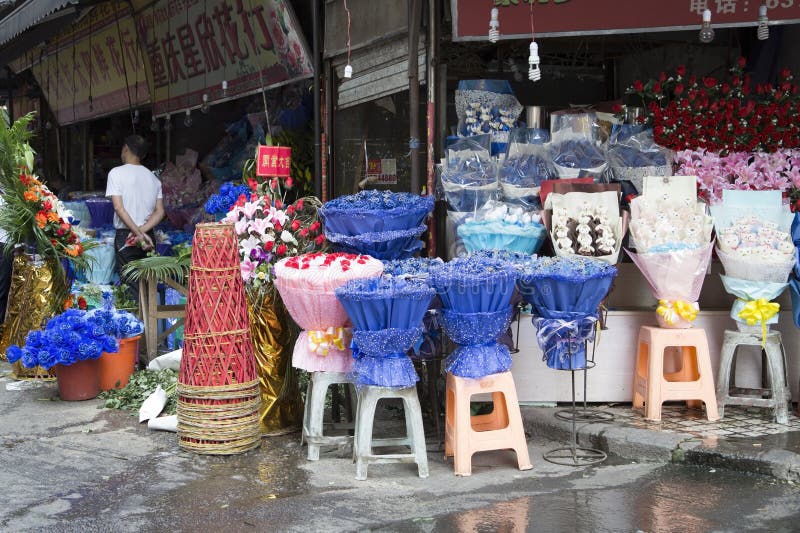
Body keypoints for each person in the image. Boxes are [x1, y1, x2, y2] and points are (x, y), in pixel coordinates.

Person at [106, 135, 164, 286]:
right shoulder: (154, 179)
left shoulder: (116, 173)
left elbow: (119, 207)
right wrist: (143, 232)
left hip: (127, 235)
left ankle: (135, 311)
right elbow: (160, 212)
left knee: (130, 285)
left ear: (125, 148)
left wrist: (137, 234)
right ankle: (147, 311)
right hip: (148, 235)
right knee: (147, 285)